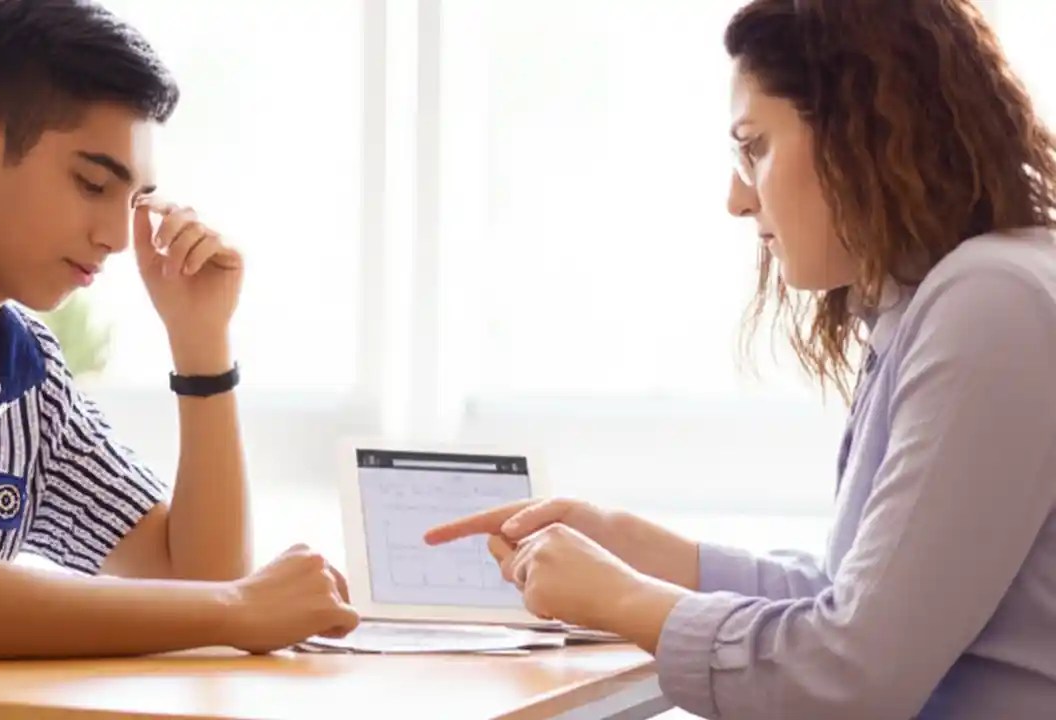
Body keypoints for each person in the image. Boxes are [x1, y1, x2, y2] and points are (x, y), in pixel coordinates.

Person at [426, 0, 1056, 717]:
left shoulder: (991, 301)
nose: (735, 197)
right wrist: (642, 550)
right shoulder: (965, 294)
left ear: (865, 131)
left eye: (753, 146)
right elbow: (853, 600)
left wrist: (622, 597)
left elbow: (852, 672)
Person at [0, 0, 357, 660]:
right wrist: (236, 606)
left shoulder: (31, 373)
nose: (114, 237)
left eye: (133, 201)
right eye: (90, 184)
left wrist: (202, 345)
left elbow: (197, 579)